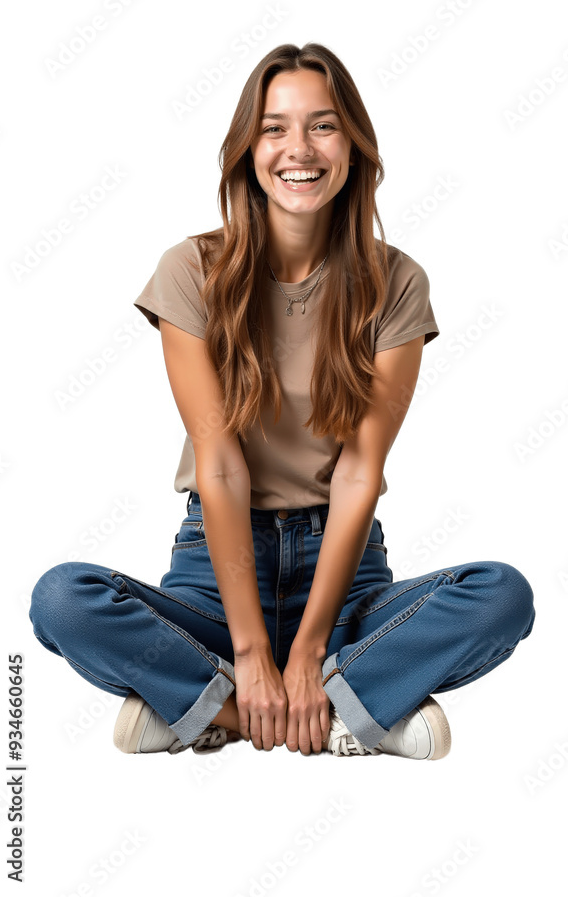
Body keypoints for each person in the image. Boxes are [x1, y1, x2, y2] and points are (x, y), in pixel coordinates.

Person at [29, 42, 535, 760]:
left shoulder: (397, 283)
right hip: (214, 569)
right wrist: (252, 650)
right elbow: (221, 464)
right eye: (274, 128)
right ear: (247, 150)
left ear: (354, 147)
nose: (298, 148)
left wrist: (305, 650)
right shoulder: (190, 270)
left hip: (344, 568)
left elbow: (360, 472)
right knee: (60, 601)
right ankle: (335, 709)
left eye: (322, 126)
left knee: (502, 596)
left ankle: (206, 703)